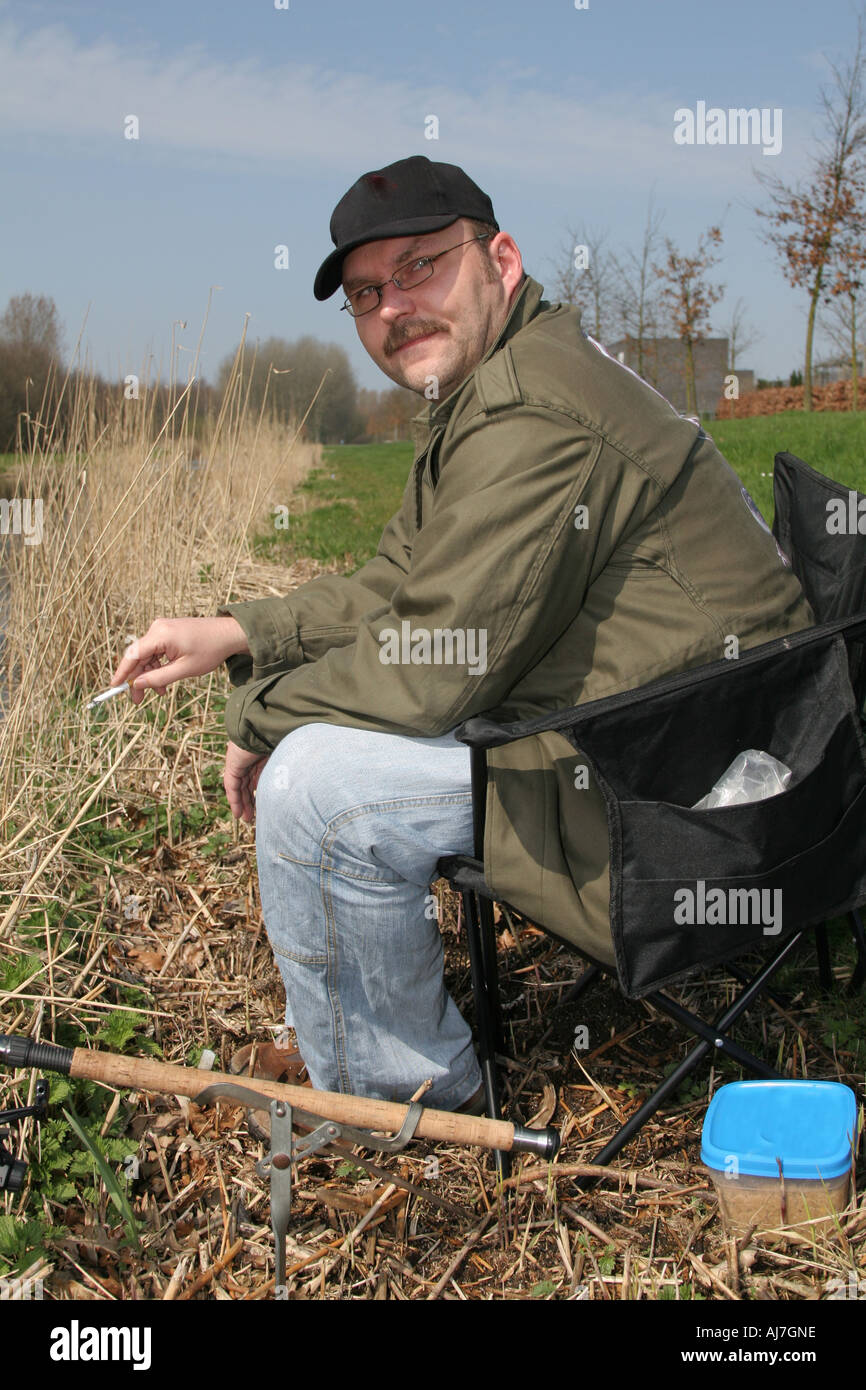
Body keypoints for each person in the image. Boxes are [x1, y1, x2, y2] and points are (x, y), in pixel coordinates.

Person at [112, 155, 812, 1115]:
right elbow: (404, 581)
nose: (394, 306)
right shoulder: (490, 383)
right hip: (666, 721)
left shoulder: (533, 410)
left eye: (421, 267)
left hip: (691, 784)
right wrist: (241, 632)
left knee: (319, 791)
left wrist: (263, 715)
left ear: (503, 260)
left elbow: (437, 665)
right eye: (366, 292)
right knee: (324, 749)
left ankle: (412, 1113)